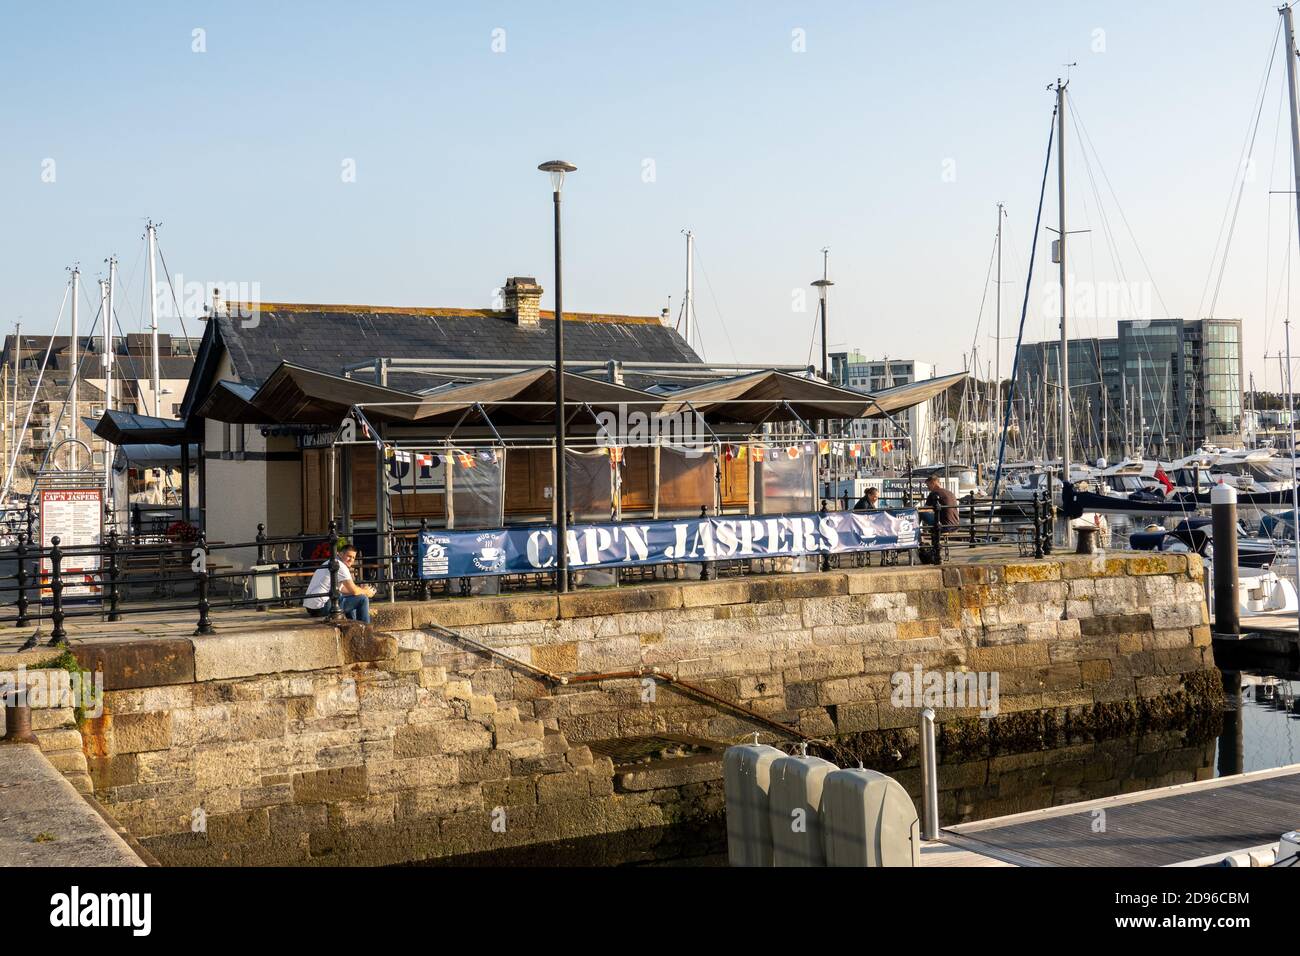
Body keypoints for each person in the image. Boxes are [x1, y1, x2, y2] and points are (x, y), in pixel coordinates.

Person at [303, 544, 375, 624]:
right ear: (340, 554)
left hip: (311, 608)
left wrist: (360, 590)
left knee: (351, 598)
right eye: (349, 556)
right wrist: (366, 592)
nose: (351, 559)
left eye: (353, 557)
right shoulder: (340, 565)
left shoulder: (330, 562)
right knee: (362, 599)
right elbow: (354, 591)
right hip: (322, 607)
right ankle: (365, 630)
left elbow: (345, 590)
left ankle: (353, 625)